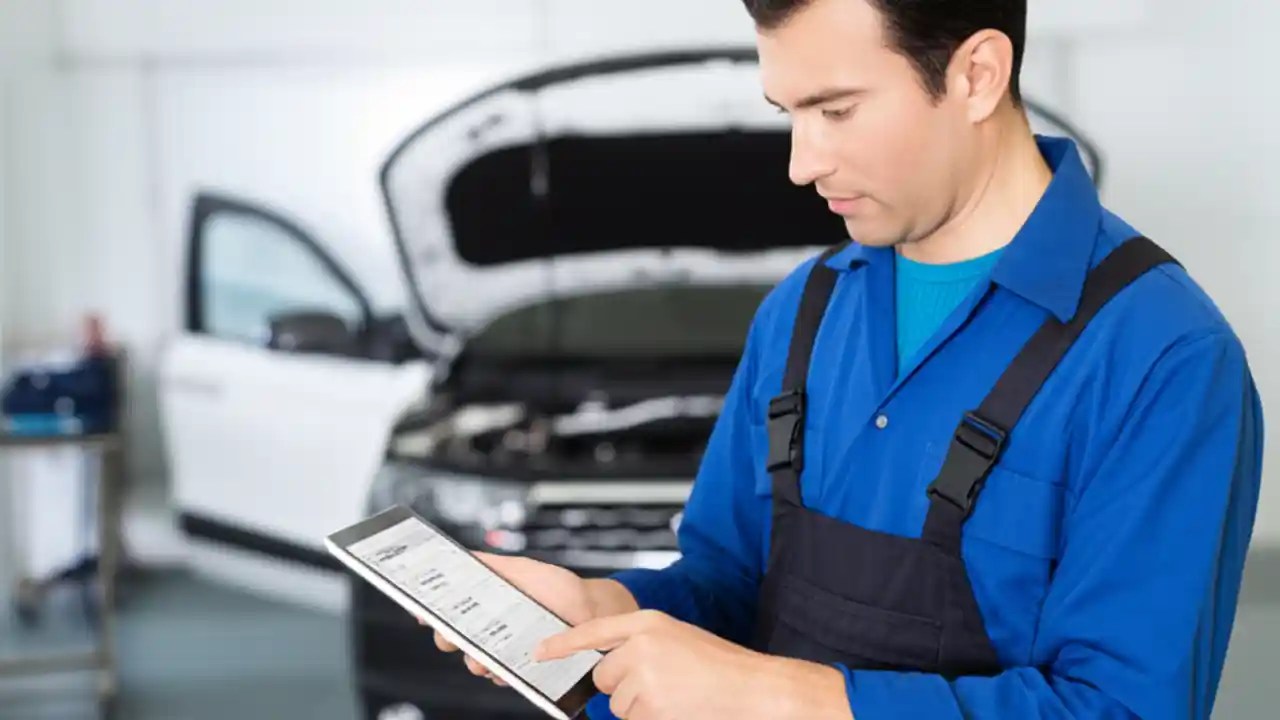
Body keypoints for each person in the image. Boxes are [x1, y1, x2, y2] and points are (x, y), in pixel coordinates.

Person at [426, 1, 1266, 718]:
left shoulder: (1162, 358)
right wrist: (603, 608)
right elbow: (731, 582)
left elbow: (1120, 708)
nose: (803, 164)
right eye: (788, 113)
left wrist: (781, 695)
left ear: (977, 74)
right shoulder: (804, 310)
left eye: (836, 111)